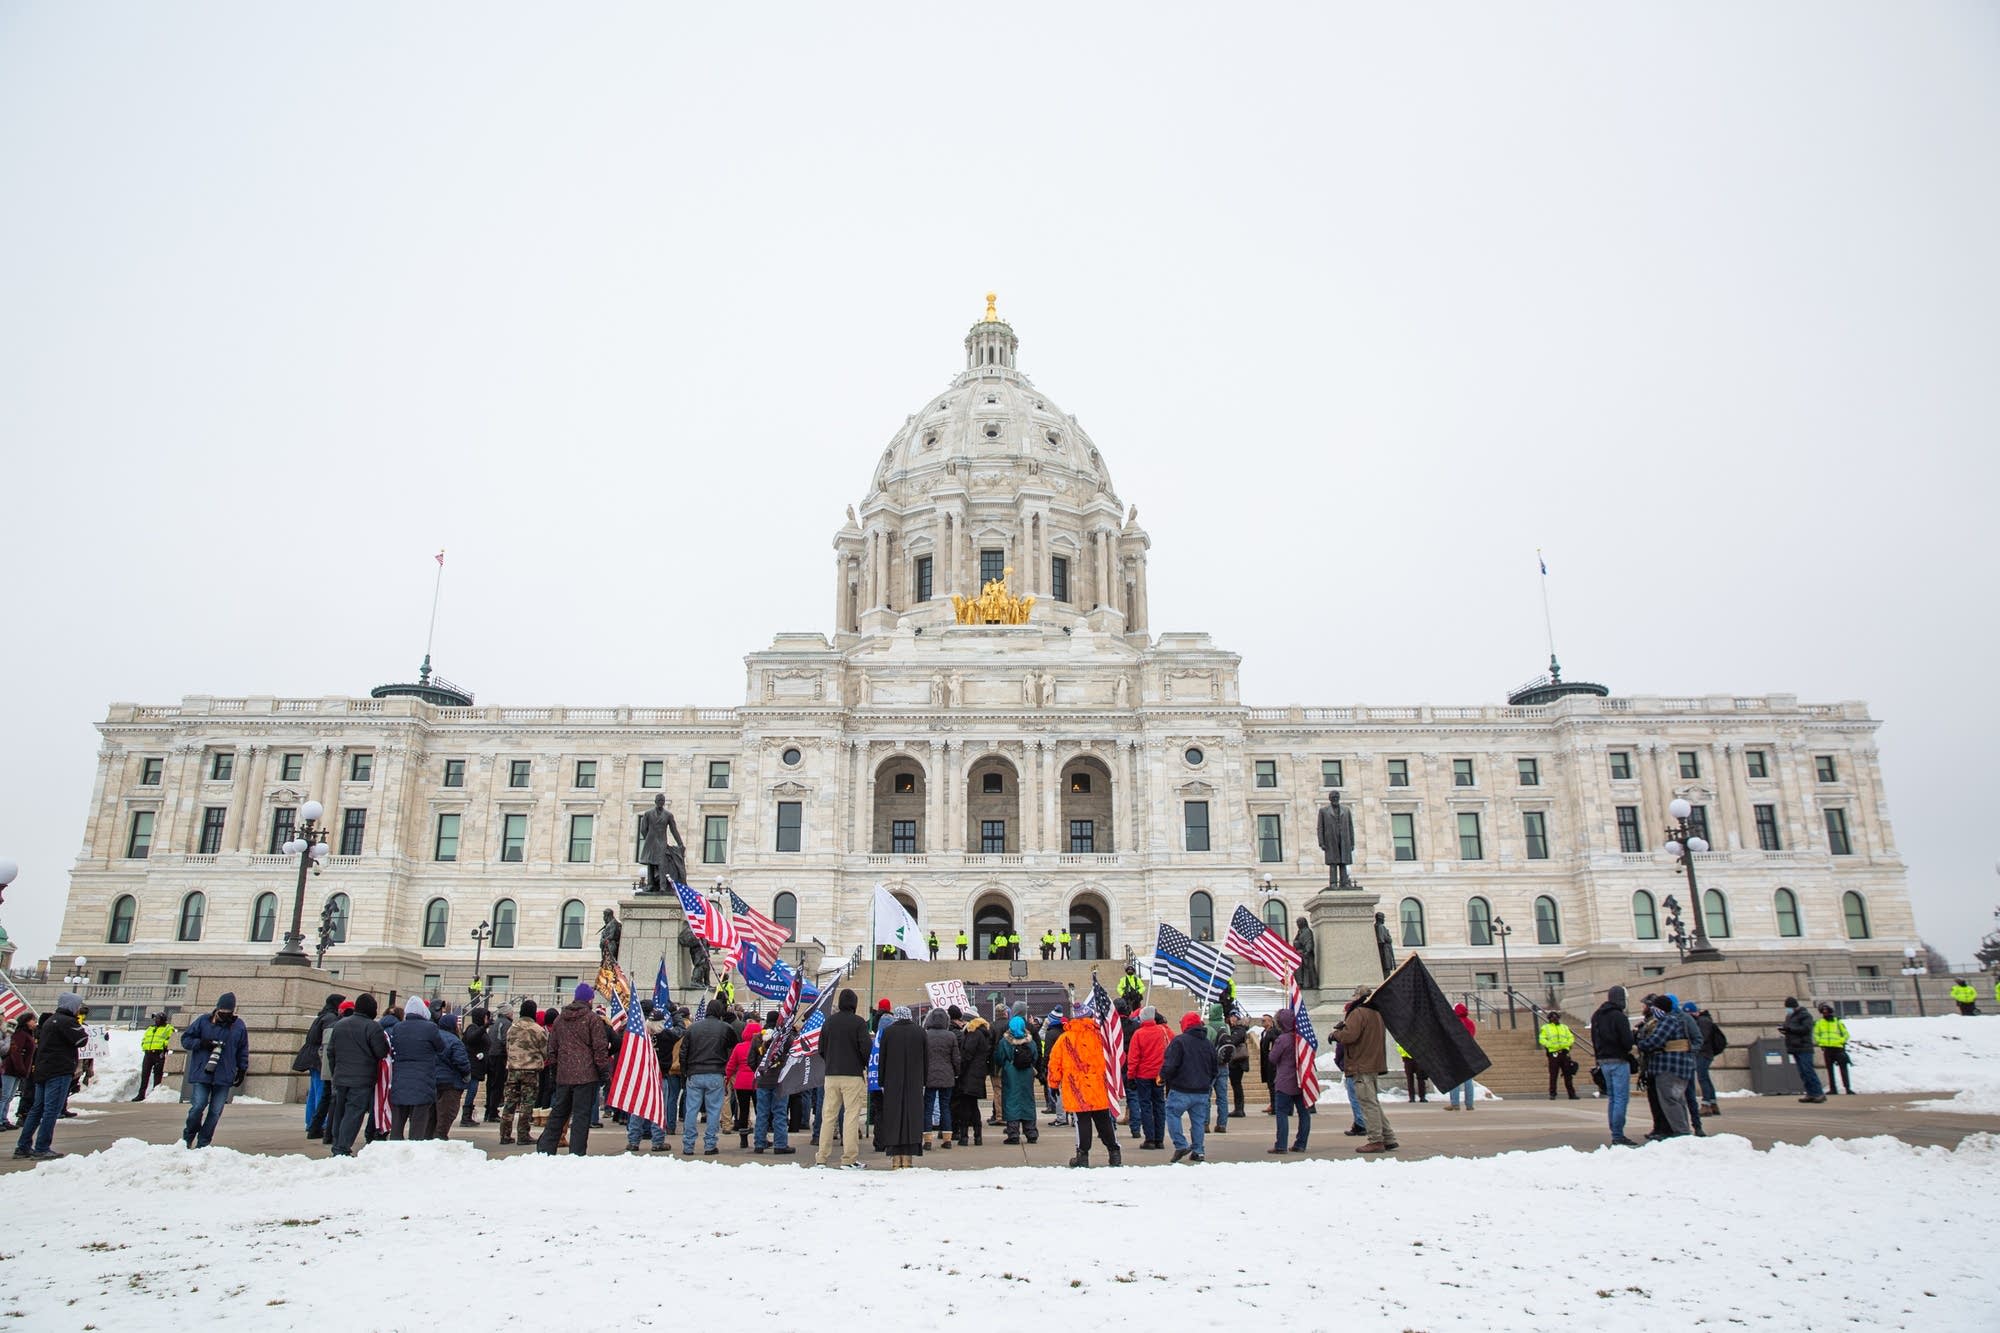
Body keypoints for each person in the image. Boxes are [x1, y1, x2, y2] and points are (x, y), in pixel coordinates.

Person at [536, 984, 612, 1156]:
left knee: (558, 1113)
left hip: (564, 1075)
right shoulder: (592, 1019)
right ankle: (577, 1153)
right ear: (589, 999)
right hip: (586, 1076)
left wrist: (555, 1072)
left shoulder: (560, 1019)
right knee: (581, 1117)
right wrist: (603, 1072)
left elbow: (552, 1048)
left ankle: (545, 1149)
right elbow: (600, 1049)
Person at [14, 993, 86, 1160]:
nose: (79, 1009)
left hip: (43, 1070)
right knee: (51, 1110)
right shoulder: (67, 1022)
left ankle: (23, 1146)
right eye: (78, 1005)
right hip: (59, 1071)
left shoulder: (50, 1021)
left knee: (37, 1109)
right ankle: (41, 1147)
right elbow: (81, 1040)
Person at [1048, 1007, 1119, 1167]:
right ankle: (1114, 1153)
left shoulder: (1065, 1039)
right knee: (1104, 1121)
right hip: (1099, 1086)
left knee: (1082, 1122)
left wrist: (1053, 1084)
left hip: (1076, 1088)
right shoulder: (1101, 1036)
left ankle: (1082, 1156)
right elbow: (1113, 1058)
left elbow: (1054, 1063)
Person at [179, 992, 250, 1150]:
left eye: (228, 1012)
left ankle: (203, 1142)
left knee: (215, 1111)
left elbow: (242, 1049)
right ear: (217, 1009)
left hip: (224, 1074)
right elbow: (186, 1040)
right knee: (198, 1106)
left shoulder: (238, 1026)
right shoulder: (203, 1021)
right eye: (222, 1012)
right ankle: (189, 1135)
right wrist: (202, 1043)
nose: (225, 1015)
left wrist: (242, 1069)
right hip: (203, 1072)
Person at [1332, 988, 1397, 1153]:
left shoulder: (1359, 1012)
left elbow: (1349, 1036)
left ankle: (1376, 1140)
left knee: (1367, 1103)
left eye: (1354, 995)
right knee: (1373, 1102)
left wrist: (1336, 1034)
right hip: (1373, 1063)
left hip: (1361, 1064)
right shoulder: (1377, 1013)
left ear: (1360, 997)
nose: (1353, 998)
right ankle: (1388, 1137)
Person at [325, 994, 390, 1156]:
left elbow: (330, 1052)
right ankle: (342, 1148)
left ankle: (337, 1144)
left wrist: (335, 1072)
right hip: (362, 1078)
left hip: (340, 1076)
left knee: (340, 1111)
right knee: (354, 1113)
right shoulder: (373, 1027)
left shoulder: (339, 1025)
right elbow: (381, 1052)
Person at [815, 989, 871, 1168]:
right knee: (851, 1116)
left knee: (828, 1116)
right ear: (854, 1004)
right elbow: (866, 1049)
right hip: (852, 1075)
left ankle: (821, 1158)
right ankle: (849, 1158)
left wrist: (831, 1061)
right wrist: (861, 1063)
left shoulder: (829, 1022)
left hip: (831, 1074)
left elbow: (821, 1048)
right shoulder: (859, 1023)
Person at [383, 997, 446, 1141]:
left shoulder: (398, 1027)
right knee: (418, 1123)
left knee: (398, 1122)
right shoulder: (430, 1028)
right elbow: (441, 1048)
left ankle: (394, 1147)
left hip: (400, 1080)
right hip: (423, 1080)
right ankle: (415, 1148)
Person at [681, 998, 737, 1156]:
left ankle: (688, 1145)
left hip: (695, 1072)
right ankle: (710, 1144)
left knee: (691, 1110)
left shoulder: (693, 1028)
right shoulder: (725, 1028)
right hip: (715, 1072)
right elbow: (733, 1046)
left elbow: (683, 1051)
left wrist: (686, 1072)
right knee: (713, 1111)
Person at [1635, 994, 1696, 1136]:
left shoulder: (1667, 1021)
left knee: (1670, 1100)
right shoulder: (1678, 1021)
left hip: (1669, 1067)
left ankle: (1681, 1132)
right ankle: (1683, 1131)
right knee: (1677, 1099)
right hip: (1680, 1067)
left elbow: (1655, 1041)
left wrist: (1639, 1044)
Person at [1159, 1011, 1216, 1162]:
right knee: (1198, 1121)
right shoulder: (1208, 1044)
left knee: (1172, 1114)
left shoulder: (1179, 1041)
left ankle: (1181, 1144)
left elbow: (1170, 1064)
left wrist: (1163, 1077)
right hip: (1202, 1090)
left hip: (1181, 1088)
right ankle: (1198, 1151)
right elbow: (1215, 1068)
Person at [877, 1006, 928, 1169]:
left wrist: (882, 1081)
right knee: (912, 1117)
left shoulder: (889, 1033)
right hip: (915, 1081)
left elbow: (882, 1059)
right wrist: (924, 1080)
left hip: (892, 1081)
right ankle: (908, 1158)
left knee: (894, 1117)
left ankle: (895, 1158)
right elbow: (926, 1059)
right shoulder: (920, 1032)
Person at [1588, 987, 1637, 1145]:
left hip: (1603, 1060)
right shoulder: (1619, 1016)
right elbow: (1627, 1041)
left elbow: (1595, 1039)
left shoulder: (1597, 1016)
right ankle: (1618, 1134)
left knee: (1613, 1098)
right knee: (1621, 1098)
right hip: (1618, 1059)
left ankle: (1615, 1131)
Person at [499, 997, 548, 1146]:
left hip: (513, 1069)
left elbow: (506, 1047)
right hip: (530, 1071)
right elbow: (545, 1051)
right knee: (527, 1104)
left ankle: (505, 1135)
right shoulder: (538, 1030)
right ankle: (523, 1134)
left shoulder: (512, 1029)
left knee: (509, 1103)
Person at [1267, 1008, 1315, 1153]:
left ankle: (1281, 1145)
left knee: (1281, 1113)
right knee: (1304, 1113)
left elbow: (1273, 1058)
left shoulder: (1282, 1039)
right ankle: (1301, 1143)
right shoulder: (1302, 1038)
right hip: (1301, 1079)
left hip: (1285, 1081)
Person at [1124, 1005, 1168, 1149]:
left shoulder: (1139, 1034)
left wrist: (1130, 1076)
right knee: (1159, 1105)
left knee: (1146, 1106)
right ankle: (1159, 1139)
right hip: (1159, 1074)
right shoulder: (1162, 1031)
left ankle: (1150, 1138)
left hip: (1143, 1075)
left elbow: (1133, 1058)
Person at [995, 1014, 1042, 1145]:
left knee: (1011, 1101)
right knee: (1028, 1100)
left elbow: (999, 1057)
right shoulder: (1030, 1041)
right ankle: (1031, 1132)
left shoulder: (1004, 1042)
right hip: (1027, 1073)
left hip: (1010, 1073)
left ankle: (1013, 1133)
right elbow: (1035, 1056)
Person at [920, 1007, 961, 1151]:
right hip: (947, 1076)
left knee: (928, 1108)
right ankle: (947, 1139)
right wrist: (957, 1072)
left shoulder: (925, 1035)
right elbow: (956, 1058)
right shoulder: (951, 1036)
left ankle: (927, 1140)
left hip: (929, 1076)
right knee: (945, 1107)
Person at [953, 1011, 994, 1146]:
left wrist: (960, 1071)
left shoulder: (973, 1034)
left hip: (969, 1075)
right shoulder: (983, 1034)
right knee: (974, 1106)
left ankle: (964, 1137)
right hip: (978, 1074)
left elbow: (967, 1055)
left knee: (965, 1106)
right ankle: (978, 1137)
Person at [724, 1016, 765, 1150]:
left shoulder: (739, 1047)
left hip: (741, 1082)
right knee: (761, 1111)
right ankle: (761, 1137)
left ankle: (743, 1140)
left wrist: (727, 1078)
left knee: (743, 1111)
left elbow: (731, 1065)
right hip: (757, 1082)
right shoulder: (762, 1047)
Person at [431, 1012, 473, 1137]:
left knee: (432, 1116)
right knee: (446, 1114)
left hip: (432, 1081)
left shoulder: (432, 1037)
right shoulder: (454, 1041)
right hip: (450, 1082)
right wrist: (466, 1075)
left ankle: (430, 1137)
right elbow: (461, 1062)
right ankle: (440, 1138)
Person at [1780, 997, 1826, 1102]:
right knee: (1803, 1073)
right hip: (1795, 1047)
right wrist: (1785, 1029)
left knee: (1808, 1071)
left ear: (1794, 1006)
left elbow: (1806, 1029)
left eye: (1789, 1007)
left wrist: (1790, 1029)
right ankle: (1810, 1093)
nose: (1787, 1009)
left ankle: (1819, 1093)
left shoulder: (1805, 1015)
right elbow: (1790, 1028)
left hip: (1804, 1047)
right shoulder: (1790, 1016)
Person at [458, 1008, 493, 1128]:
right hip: (472, 1066)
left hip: (478, 1066)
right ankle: (466, 1116)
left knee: (473, 1090)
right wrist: (484, 1027)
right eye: (485, 1017)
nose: (486, 1020)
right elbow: (472, 1039)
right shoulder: (472, 1028)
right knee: (471, 1090)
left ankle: (468, 1114)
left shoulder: (481, 1030)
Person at [1689, 1003, 1725, 1117]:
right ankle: (1713, 1103)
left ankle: (1706, 1105)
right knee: (1706, 1078)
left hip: (1704, 1053)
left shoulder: (1703, 1022)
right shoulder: (1703, 1020)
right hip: (1704, 1053)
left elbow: (1701, 1038)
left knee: (1703, 1078)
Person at [2, 1013, 35, 1131]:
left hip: (18, 1071)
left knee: (10, 1096)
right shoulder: (20, 1034)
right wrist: (20, 1068)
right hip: (11, 1069)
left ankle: (4, 1119)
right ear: (26, 1021)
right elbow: (16, 1052)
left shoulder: (28, 1034)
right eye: (32, 1020)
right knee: (5, 1095)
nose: (34, 1022)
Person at [1204, 1000, 1233, 1133]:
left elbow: (1206, 1046)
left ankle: (1205, 1123)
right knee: (1222, 1096)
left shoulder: (1208, 1028)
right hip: (1224, 1065)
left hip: (1210, 1066)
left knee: (1206, 1096)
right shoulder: (1226, 1027)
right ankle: (1222, 1124)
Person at [1814, 1003, 1854, 1095]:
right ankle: (1833, 1089)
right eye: (1823, 1012)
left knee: (1843, 1069)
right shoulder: (1819, 1023)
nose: (1825, 1014)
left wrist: (1841, 1041)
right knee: (1830, 1070)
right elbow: (1816, 1034)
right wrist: (1820, 1042)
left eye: (1827, 1012)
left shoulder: (1837, 1021)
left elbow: (1846, 1034)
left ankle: (1847, 1088)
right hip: (1827, 1049)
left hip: (1838, 1048)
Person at [1538, 1010, 1579, 1100]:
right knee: (1553, 1074)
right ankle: (1552, 1093)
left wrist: (1565, 1045)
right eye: (1552, 1017)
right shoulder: (1546, 1028)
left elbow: (1571, 1038)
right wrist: (1552, 1046)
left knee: (1568, 1074)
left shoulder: (1564, 1027)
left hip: (1564, 1053)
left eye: (1556, 1017)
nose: (1555, 1019)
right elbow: (1542, 1039)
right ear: (1549, 1019)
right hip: (1553, 1054)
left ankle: (1571, 1094)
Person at [137, 1011, 175, 1103]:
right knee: (145, 1074)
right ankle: (141, 1094)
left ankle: (155, 1094)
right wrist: (144, 1045)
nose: (156, 1021)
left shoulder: (168, 1028)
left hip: (159, 1053)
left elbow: (171, 1039)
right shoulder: (151, 1028)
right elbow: (145, 1038)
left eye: (158, 1019)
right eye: (155, 1019)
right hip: (148, 1053)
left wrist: (164, 1046)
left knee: (157, 1075)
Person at [1445, 1003, 1478, 1110]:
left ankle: (1455, 1103)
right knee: (1468, 1080)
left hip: (1456, 1053)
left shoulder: (1454, 1023)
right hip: (1468, 1052)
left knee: (1455, 1079)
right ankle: (1469, 1104)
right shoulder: (1470, 1023)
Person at [1225, 1012, 1252, 1117]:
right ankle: (1238, 1108)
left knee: (1237, 1085)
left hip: (1238, 1062)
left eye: (1233, 1017)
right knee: (1235, 1084)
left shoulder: (1239, 1029)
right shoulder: (1236, 1029)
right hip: (1235, 1062)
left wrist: (1227, 1038)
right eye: (1230, 1017)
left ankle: (1239, 1109)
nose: (1231, 1019)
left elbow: (1233, 1041)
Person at [1257, 1013, 1278, 1114]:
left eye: (1264, 1020)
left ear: (1270, 1021)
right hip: (1265, 1062)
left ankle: (1275, 1106)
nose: (1262, 1022)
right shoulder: (1263, 1033)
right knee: (1270, 1085)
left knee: (1273, 1085)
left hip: (1272, 1063)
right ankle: (1272, 1104)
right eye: (1262, 1020)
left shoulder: (1274, 1032)